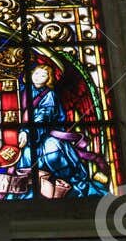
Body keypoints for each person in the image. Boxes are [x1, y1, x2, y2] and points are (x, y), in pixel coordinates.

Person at [15, 64, 104, 198]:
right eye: (37, 73)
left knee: (53, 152)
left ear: (48, 79)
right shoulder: (21, 91)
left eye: (44, 75)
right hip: (26, 135)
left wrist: (27, 132)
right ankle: (24, 191)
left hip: (46, 133)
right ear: (31, 74)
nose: (39, 77)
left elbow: (44, 116)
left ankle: (71, 188)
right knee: (25, 155)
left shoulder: (49, 95)